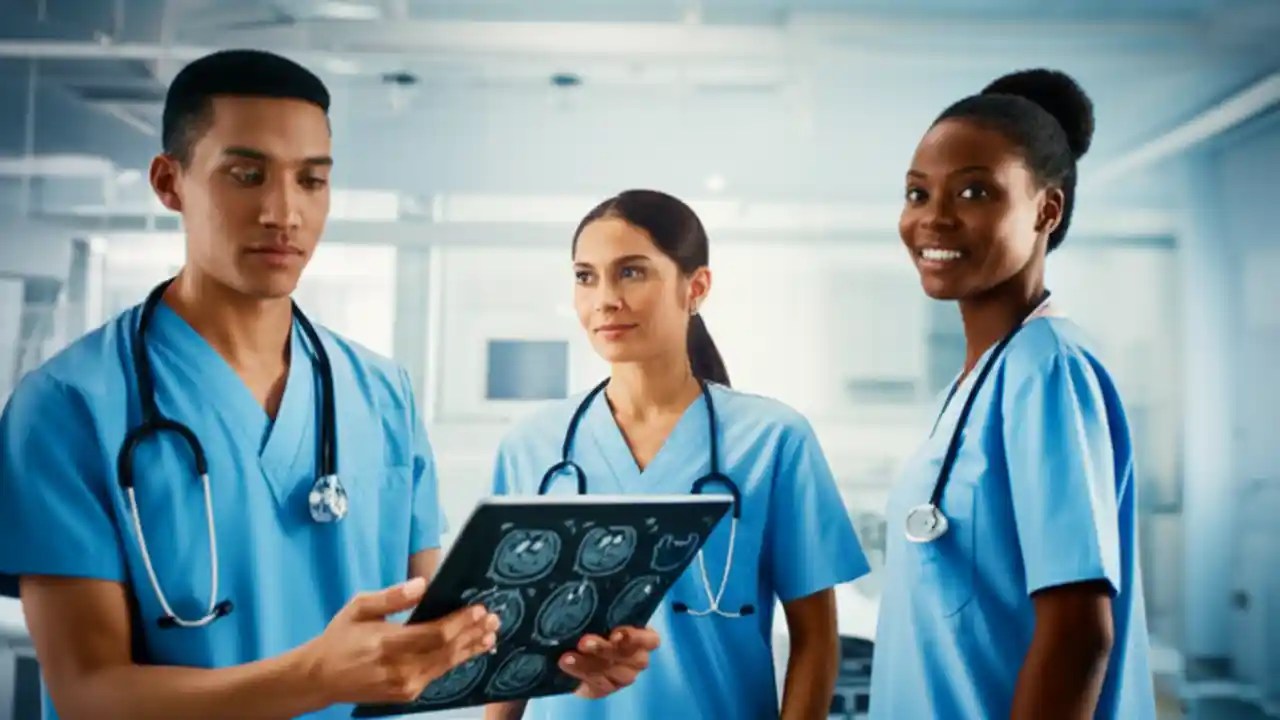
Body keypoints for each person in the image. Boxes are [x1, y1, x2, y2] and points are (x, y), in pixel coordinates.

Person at [0, 49, 655, 720]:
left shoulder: (381, 396)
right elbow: (89, 693)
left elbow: (427, 644)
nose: (282, 212)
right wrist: (314, 677)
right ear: (170, 183)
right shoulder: (68, 407)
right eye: (246, 175)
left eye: (311, 181)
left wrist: (560, 659)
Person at [483, 189, 870, 720]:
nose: (604, 299)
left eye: (632, 272)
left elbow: (816, 639)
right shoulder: (533, 446)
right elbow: (511, 645)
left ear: (697, 287)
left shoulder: (772, 440)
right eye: (585, 276)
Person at [867, 69, 1157, 719]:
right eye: (917, 193)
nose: (933, 218)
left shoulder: (1046, 369)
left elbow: (1079, 633)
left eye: (974, 191)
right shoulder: (977, 383)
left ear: (1046, 210)